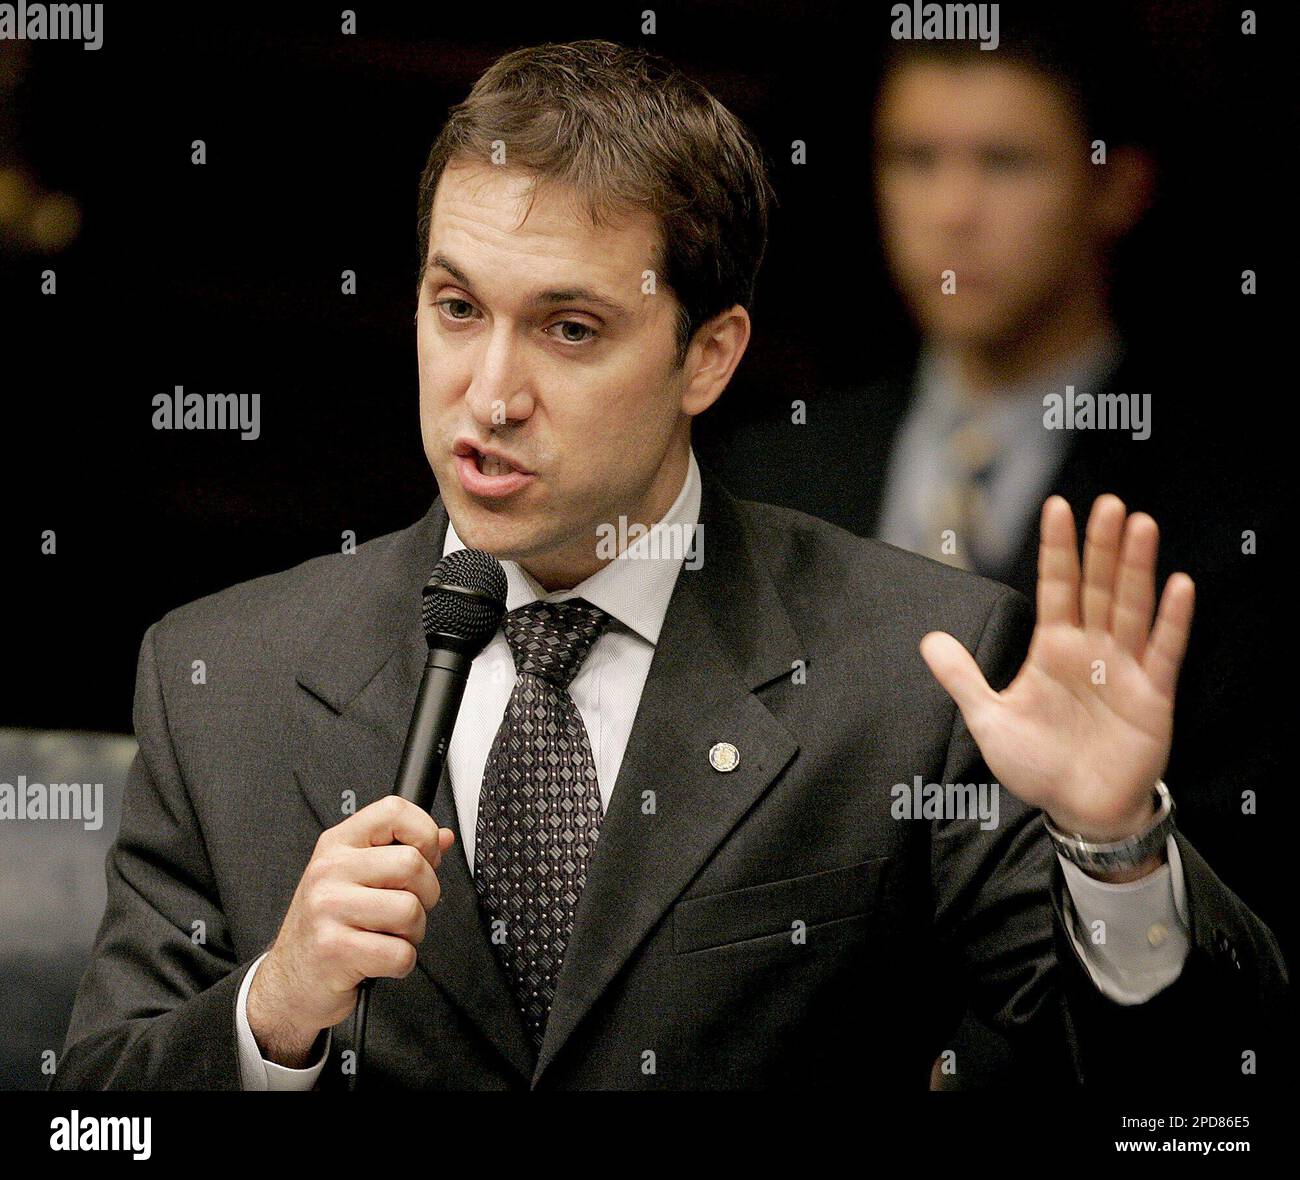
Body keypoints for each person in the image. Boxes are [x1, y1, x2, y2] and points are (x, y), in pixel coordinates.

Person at [52, 39, 1286, 1092]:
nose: (490, 394)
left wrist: (1115, 847)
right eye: (457, 306)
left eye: (569, 328)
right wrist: (272, 1013)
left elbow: (1185, 1095)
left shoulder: (914, 669)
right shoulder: (220, 672)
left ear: (708, 355)